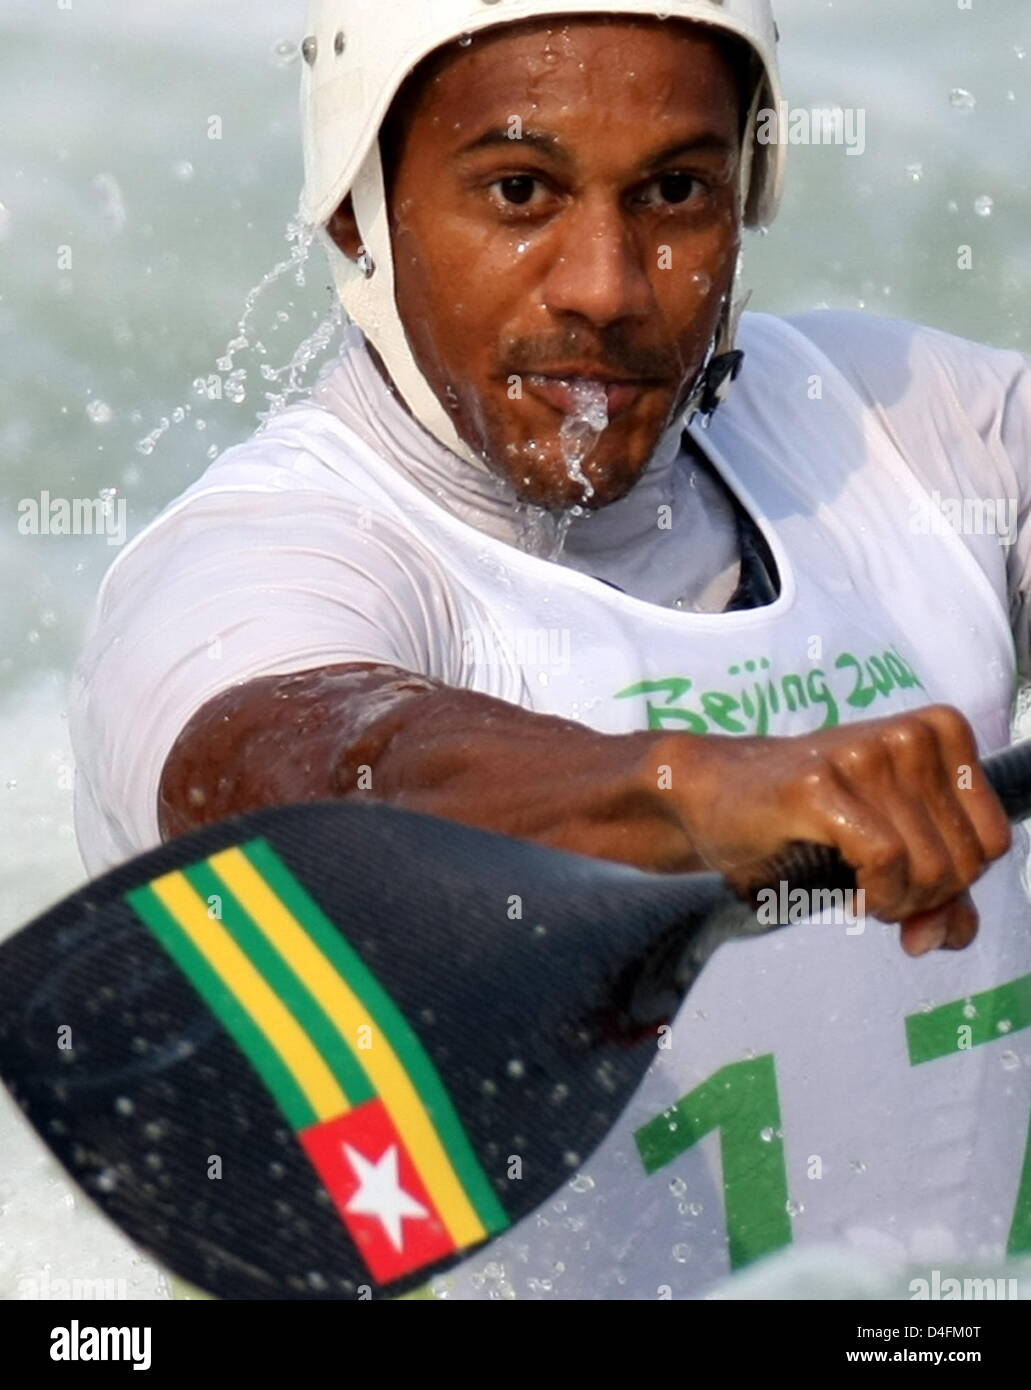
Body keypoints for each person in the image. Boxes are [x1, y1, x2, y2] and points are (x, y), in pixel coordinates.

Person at [70, 0, 1031, 1298]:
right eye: (520, 190)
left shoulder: (893, 430)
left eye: (678, 192)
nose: (608, 286)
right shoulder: (261, 558)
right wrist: (703, 792)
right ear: (355, 208)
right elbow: (287, 774)